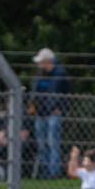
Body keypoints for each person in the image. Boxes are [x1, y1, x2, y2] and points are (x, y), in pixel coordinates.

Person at [30, 48, 71, 179]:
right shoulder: (39, 75)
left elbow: (67, 94)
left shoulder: (60, 74)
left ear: (48, 61)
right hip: (40, 113)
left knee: (53, 142)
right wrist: (33, 105)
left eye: (41, 62)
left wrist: (61, 108)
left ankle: (54, 172)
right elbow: (35, 93)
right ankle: (44, 170)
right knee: (42, 143)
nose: (39, 65)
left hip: (54, 112)